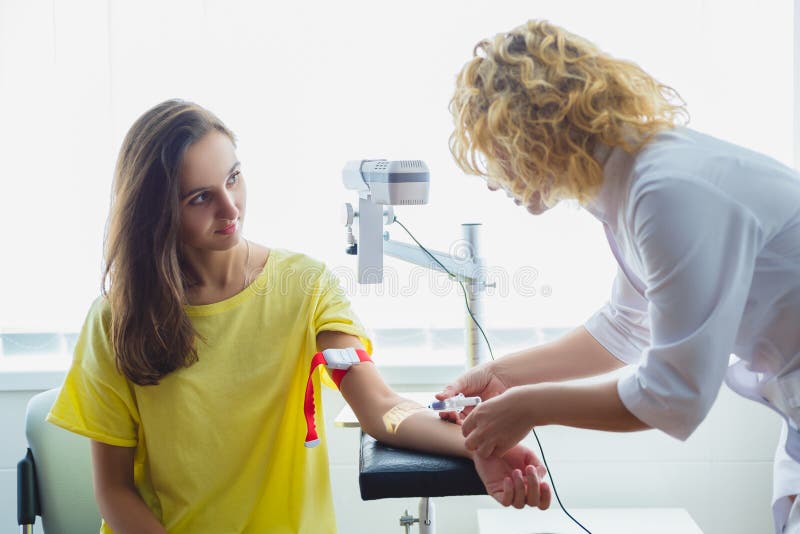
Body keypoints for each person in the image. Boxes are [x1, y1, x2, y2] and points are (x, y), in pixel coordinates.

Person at [46, 99, 551, 533]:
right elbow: (113, 491)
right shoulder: (118, 320)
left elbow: (380, 408)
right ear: (155, 211)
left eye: (234, 178)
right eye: (201, 197)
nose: (231, 208)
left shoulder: (305, 287)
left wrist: (475, 443)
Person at [440, 19, 800, 534]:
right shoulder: (626, 185)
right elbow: (627, 328)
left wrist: (529, 407)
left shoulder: (666, 189)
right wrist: (505, 377)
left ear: (532, 130)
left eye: (496, 154)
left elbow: (674, 395)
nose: (496, 184)